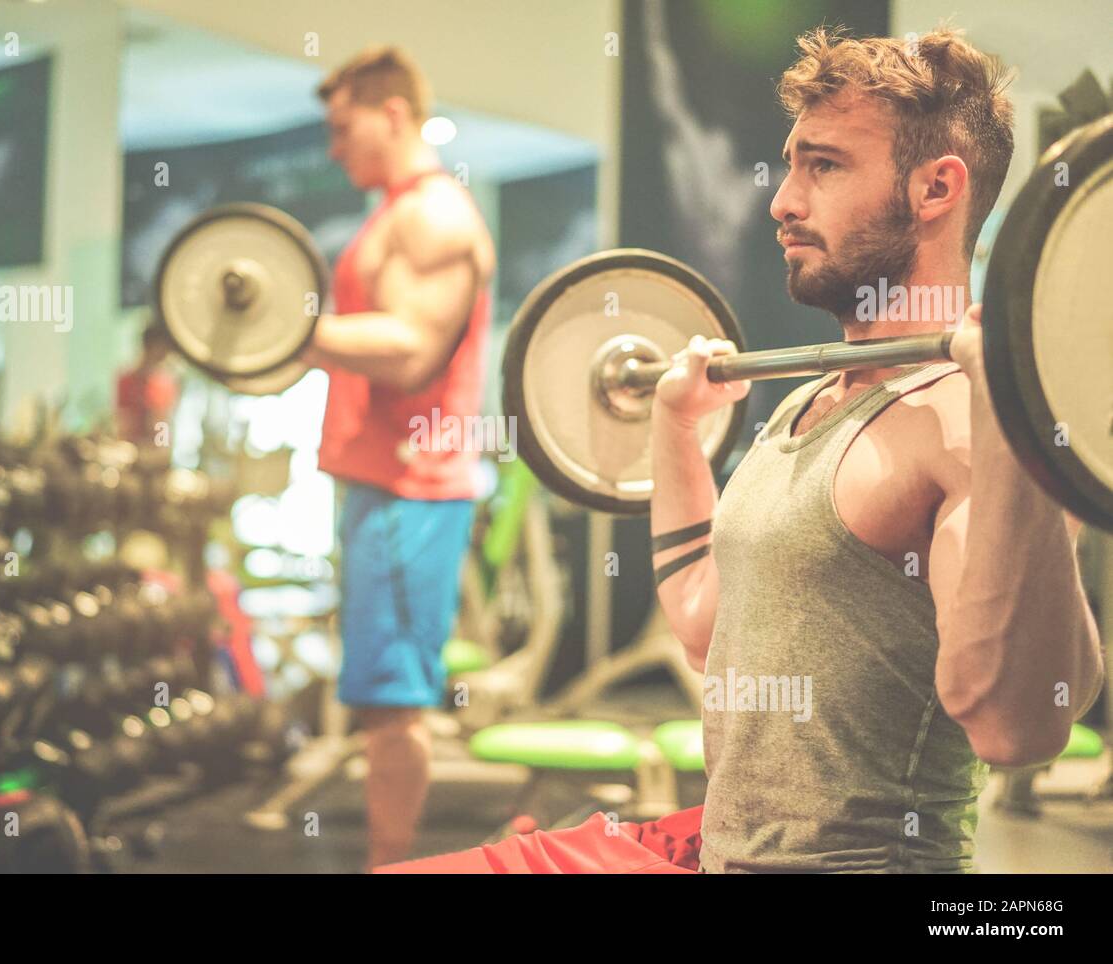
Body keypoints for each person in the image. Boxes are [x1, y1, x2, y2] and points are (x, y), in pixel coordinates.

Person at [379, 26, 1102, 873]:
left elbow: (1017, 726)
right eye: (792, 165)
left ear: (937, 186)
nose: (782, 201)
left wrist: (1014, 422)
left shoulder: (966, 431)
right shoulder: (804, 402)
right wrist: (675, 428)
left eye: (823, 166)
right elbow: (704, 626)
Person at [300, 46, 495, 870]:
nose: (334, 148)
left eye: (343, 129)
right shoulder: (398, 213)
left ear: (391, 115)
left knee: (394, 705)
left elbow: (413, 349)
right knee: (385, 700)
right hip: (385, 483)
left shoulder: (433, 216)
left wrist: (292, 334)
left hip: (411, 484)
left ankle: (392, 865)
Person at [115, 321, 179, 447]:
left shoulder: (166, 383)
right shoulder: (126, 380)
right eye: (162, 347)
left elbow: (163, 423)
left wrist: (161, 448)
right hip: (130, 450)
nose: (165, 353)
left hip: (156, 453)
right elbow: (123, 421)